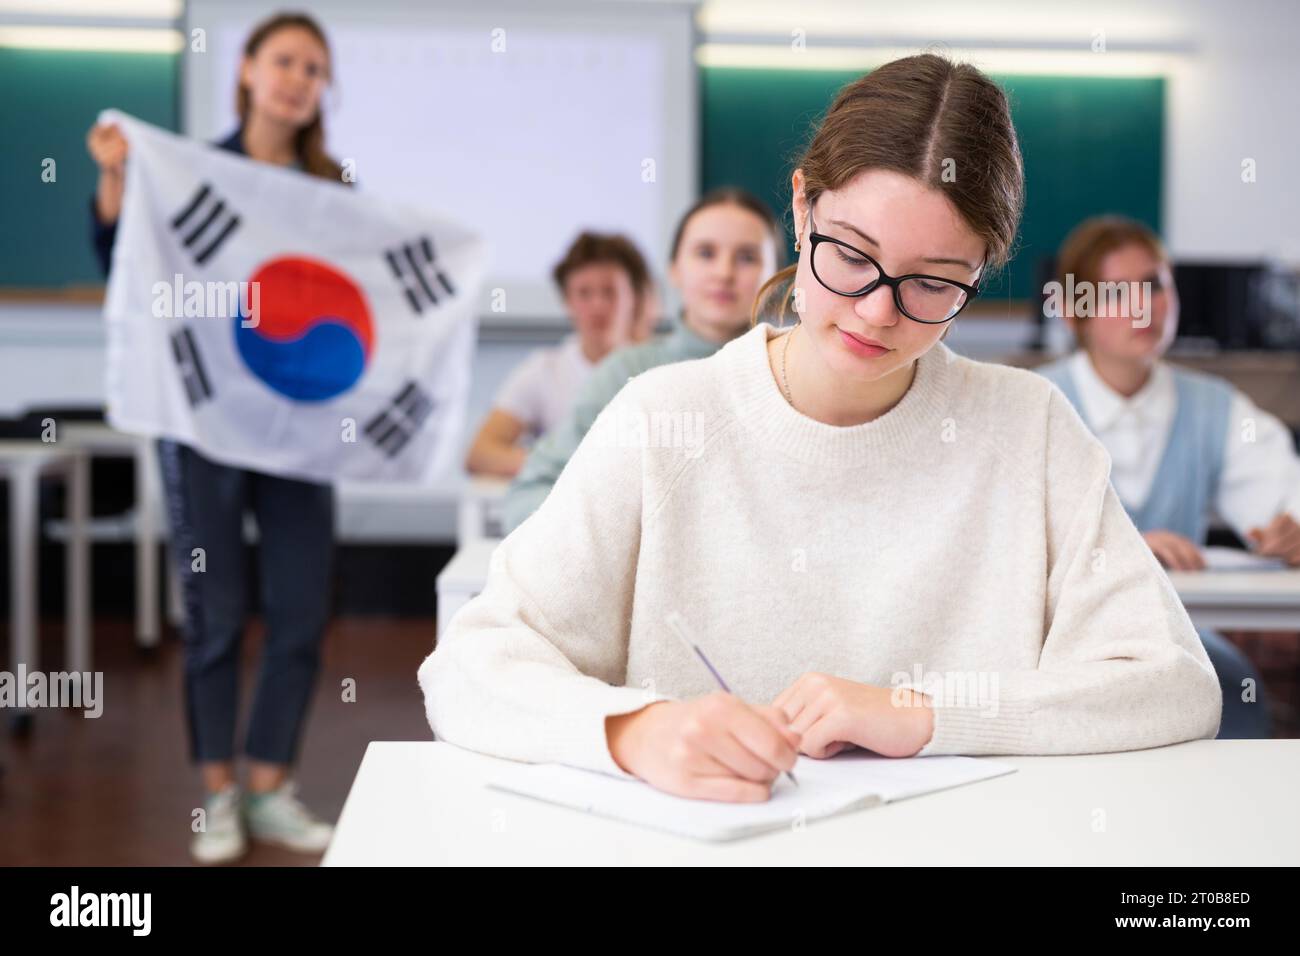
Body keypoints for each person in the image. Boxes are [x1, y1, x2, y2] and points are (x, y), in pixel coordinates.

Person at [419, 54, 1221, 804]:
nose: (877, 311)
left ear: (981, 274)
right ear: (802, 209)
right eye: (851, 254)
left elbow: (1172, 681)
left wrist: (926, 714)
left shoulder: (1030, 429)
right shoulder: (662, 420)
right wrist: (635, 731)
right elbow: (470, 666)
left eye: (935, 284)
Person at [87, 11, 344, 861]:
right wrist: (120, 180)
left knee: (301, 611)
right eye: (284, 61)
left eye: (313, 67)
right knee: (216, 614)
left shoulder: (333, 185)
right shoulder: (190, 173)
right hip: (202, 427)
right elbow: (118, 254)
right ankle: (217, 795)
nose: (297, 79)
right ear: (246, 69)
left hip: (296, 431)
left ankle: (271, 787)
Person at [1036, 215, 1300, 738]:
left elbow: (1281, 492)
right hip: (1057, 648)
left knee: (1232, 691)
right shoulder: (1034, 402)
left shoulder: (1213, 408)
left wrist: (1290, 525)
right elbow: (1004, 543)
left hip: (1178, 645)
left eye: (1154, 285)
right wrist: (1121, 549)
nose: (1144, 307)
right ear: (1072, 311)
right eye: (1114, 292)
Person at [502, 187, 782, 531]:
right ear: (674, 270)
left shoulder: (795, 375)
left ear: (776, 274)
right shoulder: (623, 374)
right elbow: (528, 493)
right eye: (705, 252)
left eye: (747, 257)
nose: (723, 272)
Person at [465, 232, 648, 477]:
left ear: (633, 298)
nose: (597, 306)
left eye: (609, 292)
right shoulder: (545, 370)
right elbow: (480, 454)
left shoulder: (661, 368)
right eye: (584, 293)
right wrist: (559, 465)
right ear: (567, 301)